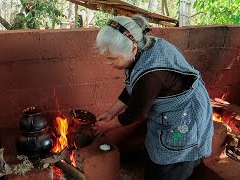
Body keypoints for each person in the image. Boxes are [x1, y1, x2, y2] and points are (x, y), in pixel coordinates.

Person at [92, 15, 214, 180]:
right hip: (170, 114)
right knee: (158, 157)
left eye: (112, 58)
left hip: (184, 118)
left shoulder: (151, 74)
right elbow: (134, 89)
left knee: (173, 160)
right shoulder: (143, 46)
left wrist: (108, 126)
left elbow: (136, 112)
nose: (109, 63)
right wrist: (110, 112)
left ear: (133, 48)